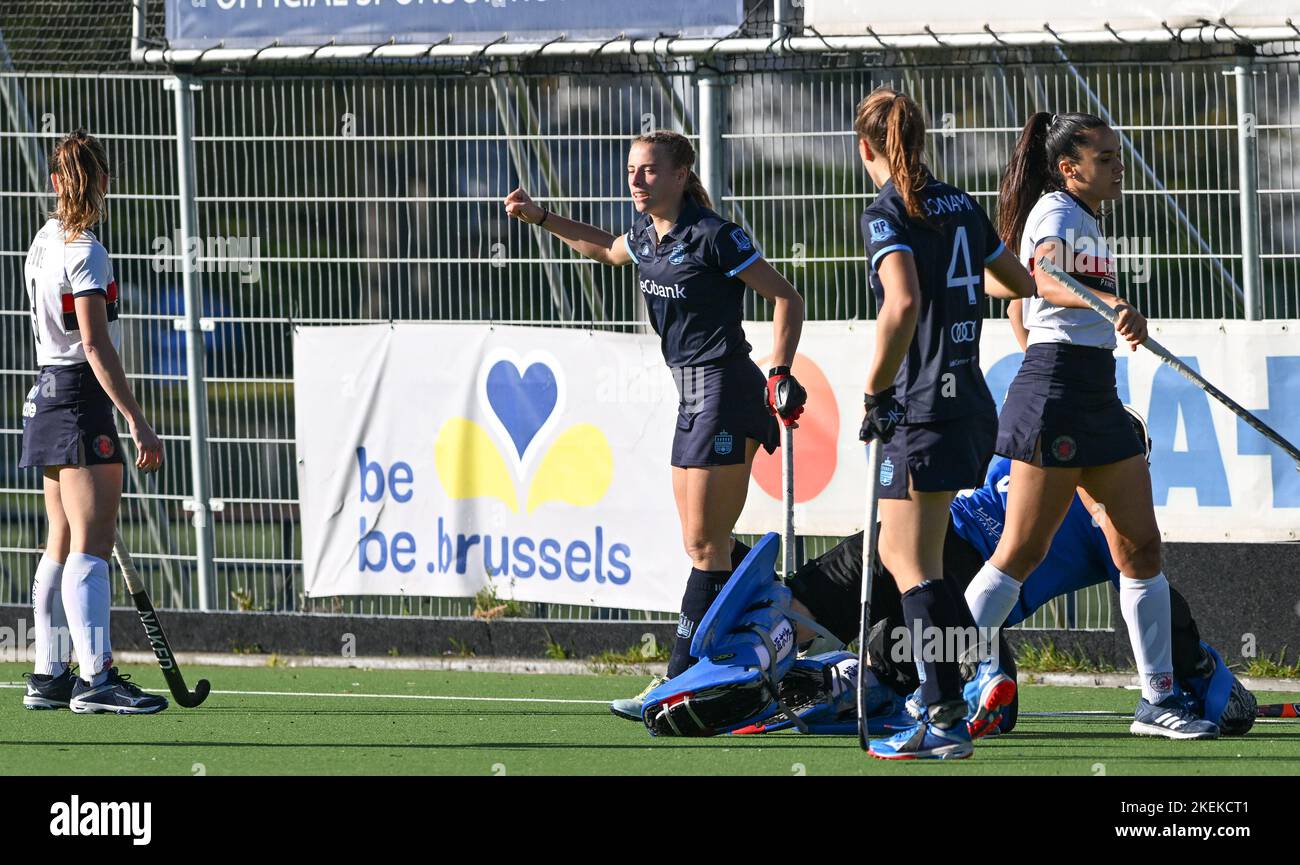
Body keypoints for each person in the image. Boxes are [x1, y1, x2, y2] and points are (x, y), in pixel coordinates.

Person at [503, 129, 807, 716]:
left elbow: (786, 297)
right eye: (630, 171)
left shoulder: (715, 236)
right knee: (701, 543)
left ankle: (677, 679)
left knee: (704, 544)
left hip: (726, 388)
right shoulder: (645, 236)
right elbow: (604, 249)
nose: (636, 181)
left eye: (648, 171)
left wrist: (780, 371)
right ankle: (774, 604)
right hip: (689, 393)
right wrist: (541, 217)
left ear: (678, 175)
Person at [961, 111, 1218, 739]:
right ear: (1069, 167)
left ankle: (1158, 702)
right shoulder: (1056, 212)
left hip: (1093, 391)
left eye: (1116, 156)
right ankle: (931, 672)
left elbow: (1026, 303)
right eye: (1104, 158)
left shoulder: (1088, 221)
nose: (1117, 167)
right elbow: (1043, 278)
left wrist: (1108, 314)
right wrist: (1114, 303)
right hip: (1055, 393)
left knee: (1140, 548)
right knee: (1019, 552)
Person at [851, 87, 1036, 759]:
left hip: (919, 406)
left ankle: (945, 712)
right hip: (968, 404)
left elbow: (900, 303)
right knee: (918, 559)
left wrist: (875, 391)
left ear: (864, 146)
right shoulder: (958, 201)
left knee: (906, 559)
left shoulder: (885, 211)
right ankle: (968, 683)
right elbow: (1014, 280)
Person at [20, 129, 167, 714]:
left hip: (46, 394)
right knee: (93, 542)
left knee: (59, 539)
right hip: (81, 398)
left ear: (56, 183)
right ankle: (97, 678)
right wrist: (137, 420)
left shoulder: (41, 241)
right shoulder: (87, 250)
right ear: (104, 183)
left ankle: (50, 673)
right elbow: (96, 343)